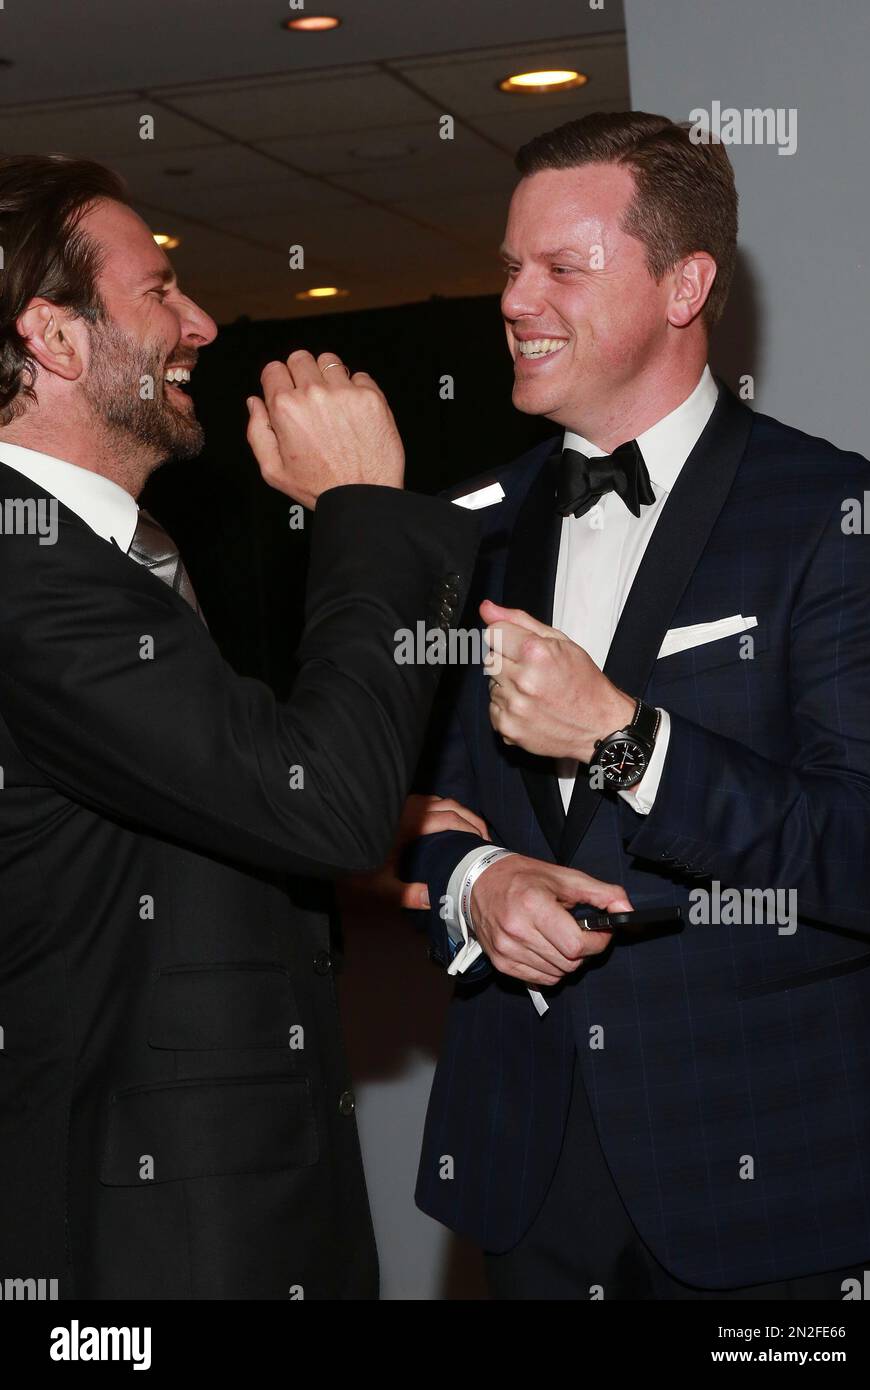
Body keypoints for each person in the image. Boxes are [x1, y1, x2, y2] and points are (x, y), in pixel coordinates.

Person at [407, 111, 870, 1299]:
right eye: (510, 267)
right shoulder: (468, 526)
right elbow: (415, 800)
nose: (516, 299)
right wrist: (478, 885)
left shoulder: (836, 514)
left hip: (769, 1182)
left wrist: (626, 741)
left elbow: (867, 852)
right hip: (527, 1175)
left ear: (685, 285)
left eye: (562, 267)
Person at [0, 153, 481, 1299]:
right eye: (159, 291)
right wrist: (359, 507)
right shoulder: (31, 575)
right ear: (55, 339)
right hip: (147, 1245)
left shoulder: (94, 557)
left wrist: (346, 851)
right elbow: (316, 801)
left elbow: (171, 800)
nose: (200, 322)